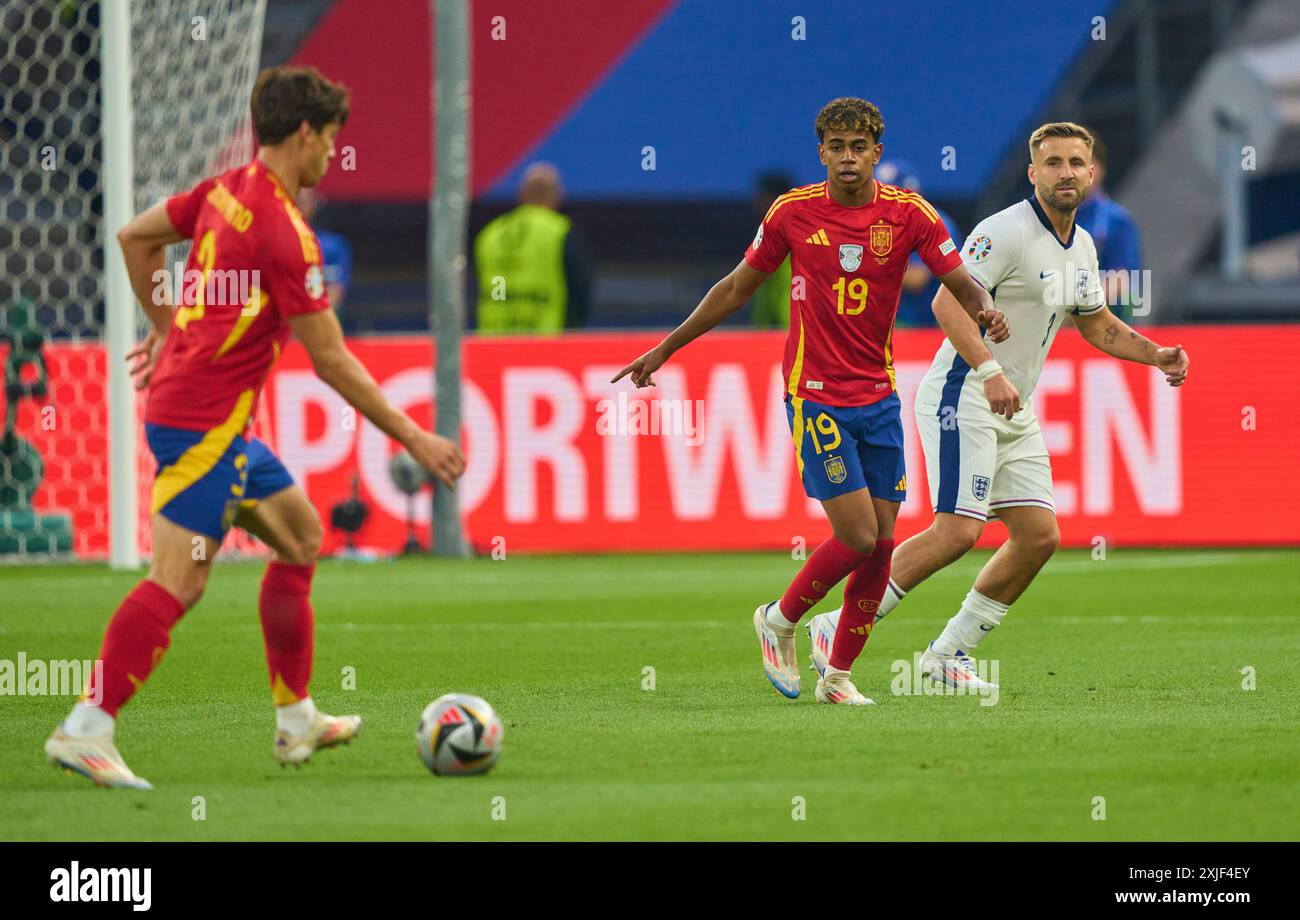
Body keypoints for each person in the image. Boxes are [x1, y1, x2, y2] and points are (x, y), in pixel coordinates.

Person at [44, 66, 465, 788]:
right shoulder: (285, 234)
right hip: (200, 422)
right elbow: (330, 360)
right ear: (305, 133)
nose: (333, 153)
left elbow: (134, 238)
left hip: (216, 421)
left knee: (301, 536)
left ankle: (295, 716)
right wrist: (414, 436)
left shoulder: (224, 191)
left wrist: (167, 326)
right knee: (180, 578)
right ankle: (87, 726)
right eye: (330, 139)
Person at [613, 98, 1012, 706]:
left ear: (877, 152)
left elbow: (957, 277)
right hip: (815, 394)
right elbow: (737, 287)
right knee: (854, 536)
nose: (847, 158)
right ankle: (778, 619)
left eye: (859, 147)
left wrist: (985, 306)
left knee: (881, 545)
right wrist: (667, 347)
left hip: (878, 394)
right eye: (836, 147)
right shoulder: (792, 213)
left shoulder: (911, 215)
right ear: (820, 151)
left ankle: (838, 677)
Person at [807, 122, 1188, 689]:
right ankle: (837, 626)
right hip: (964, 392)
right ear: (1033, 174)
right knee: (958, 531)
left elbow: (1098, 324)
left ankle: (946, 656)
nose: (1066, 173)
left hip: (1014, 404)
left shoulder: (1082, 245)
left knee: (1038, 536)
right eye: (1053, 163)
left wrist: (1155, 354)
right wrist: (987, 371)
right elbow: (946, 301)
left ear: (1091, 172)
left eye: (1075, 163)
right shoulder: (1003, 232)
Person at [473, 162, 591, 333]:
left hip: (493, 339)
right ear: (556, 195)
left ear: (522, 195)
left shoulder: (490, 234)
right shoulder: (559, 231)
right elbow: (580, 291)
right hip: (544, 341)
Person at [877, 159, 962, 328]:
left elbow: (917, 278)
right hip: (901, 322)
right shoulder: (882, 224)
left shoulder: (934, 220)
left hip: (937, 322)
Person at [1073, 137, 1142, 317]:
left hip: (1101, 326)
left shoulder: (1116, 220)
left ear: (1099, 170)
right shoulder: (1045, 219)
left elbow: (1121, 277)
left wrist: (1077, 309)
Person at [749, 172, 794, 328]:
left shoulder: (795, 236)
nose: (757, 201)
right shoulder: (766, 234)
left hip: (790, 329)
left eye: (762, 196)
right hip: (770, 331)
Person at [297, 187, 352, 314]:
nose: (297, 205)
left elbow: (335, 293)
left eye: (303, 201)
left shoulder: (333, 247)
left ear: (316, 202)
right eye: (294, 199)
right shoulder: (271, 245)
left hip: (318, 326)